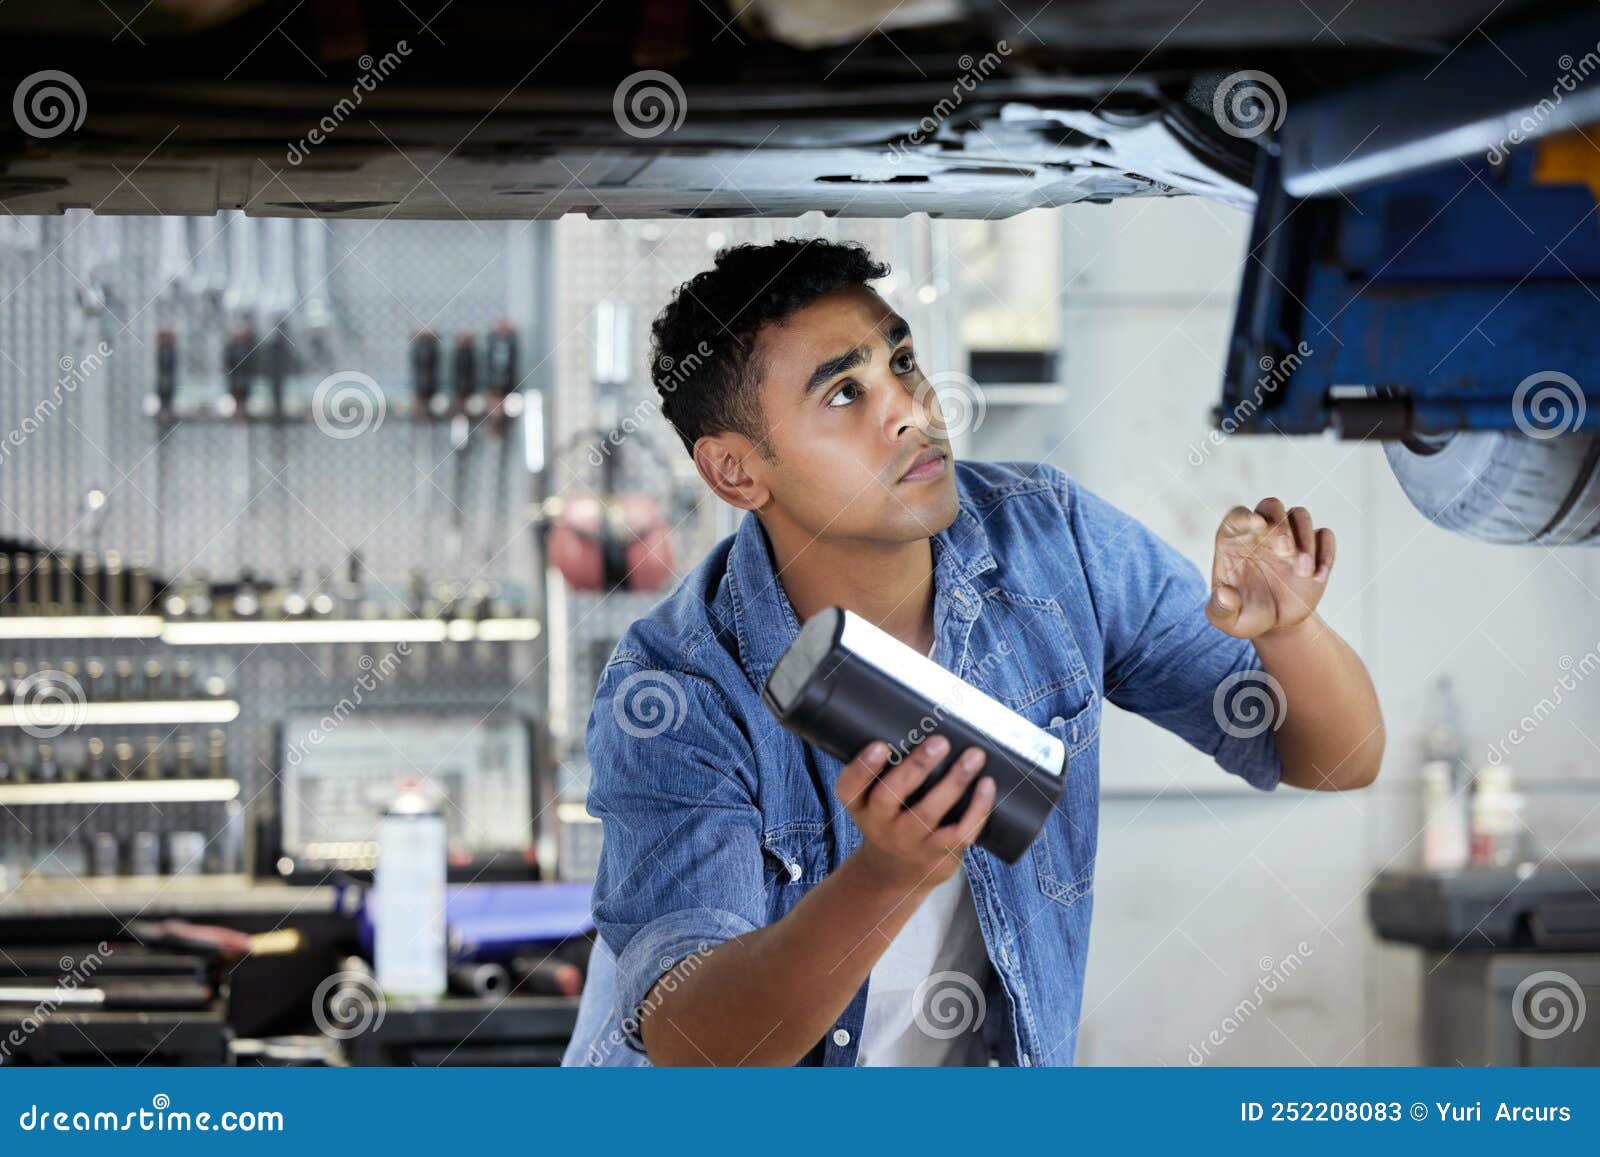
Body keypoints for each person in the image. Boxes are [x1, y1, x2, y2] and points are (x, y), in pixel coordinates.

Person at [560, 238, 1384, 1067]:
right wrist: (887, 874)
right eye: (846, 391)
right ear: (736, 472)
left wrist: (1288, 632)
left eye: (904, 360)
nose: (912, 409)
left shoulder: (1049, 536)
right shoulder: (676, 689)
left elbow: (1337, 757)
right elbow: (694, 1042)